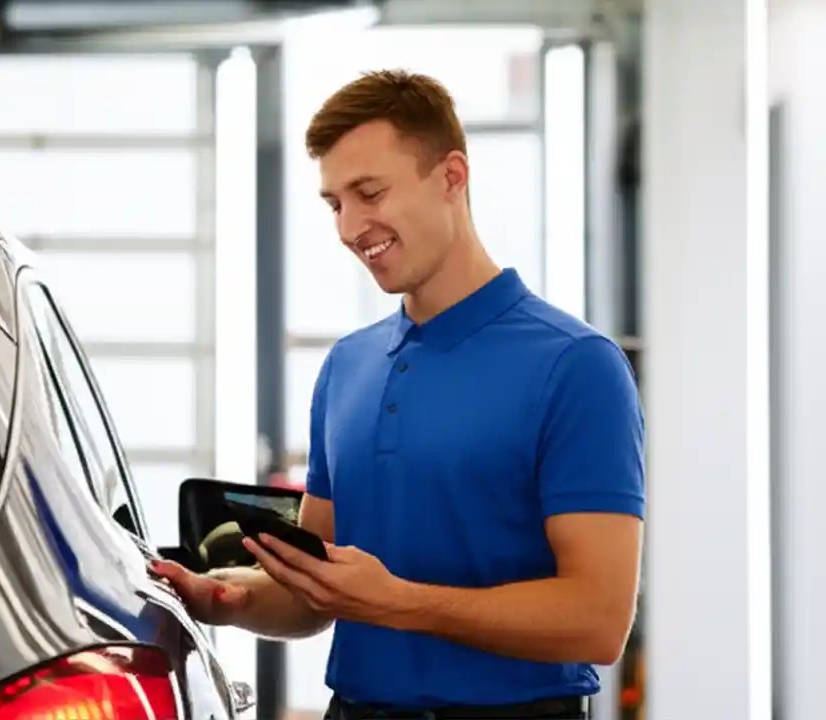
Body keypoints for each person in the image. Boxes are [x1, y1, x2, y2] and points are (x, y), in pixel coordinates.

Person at [150, 69, 645, 720]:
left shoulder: (577, 366)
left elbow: (598, 622)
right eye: (335, 203)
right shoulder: (347, 365)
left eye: (370, 192)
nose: (351, 227)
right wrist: (230, 599)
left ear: (451, 177)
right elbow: (316, 593)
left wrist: (399, 602)